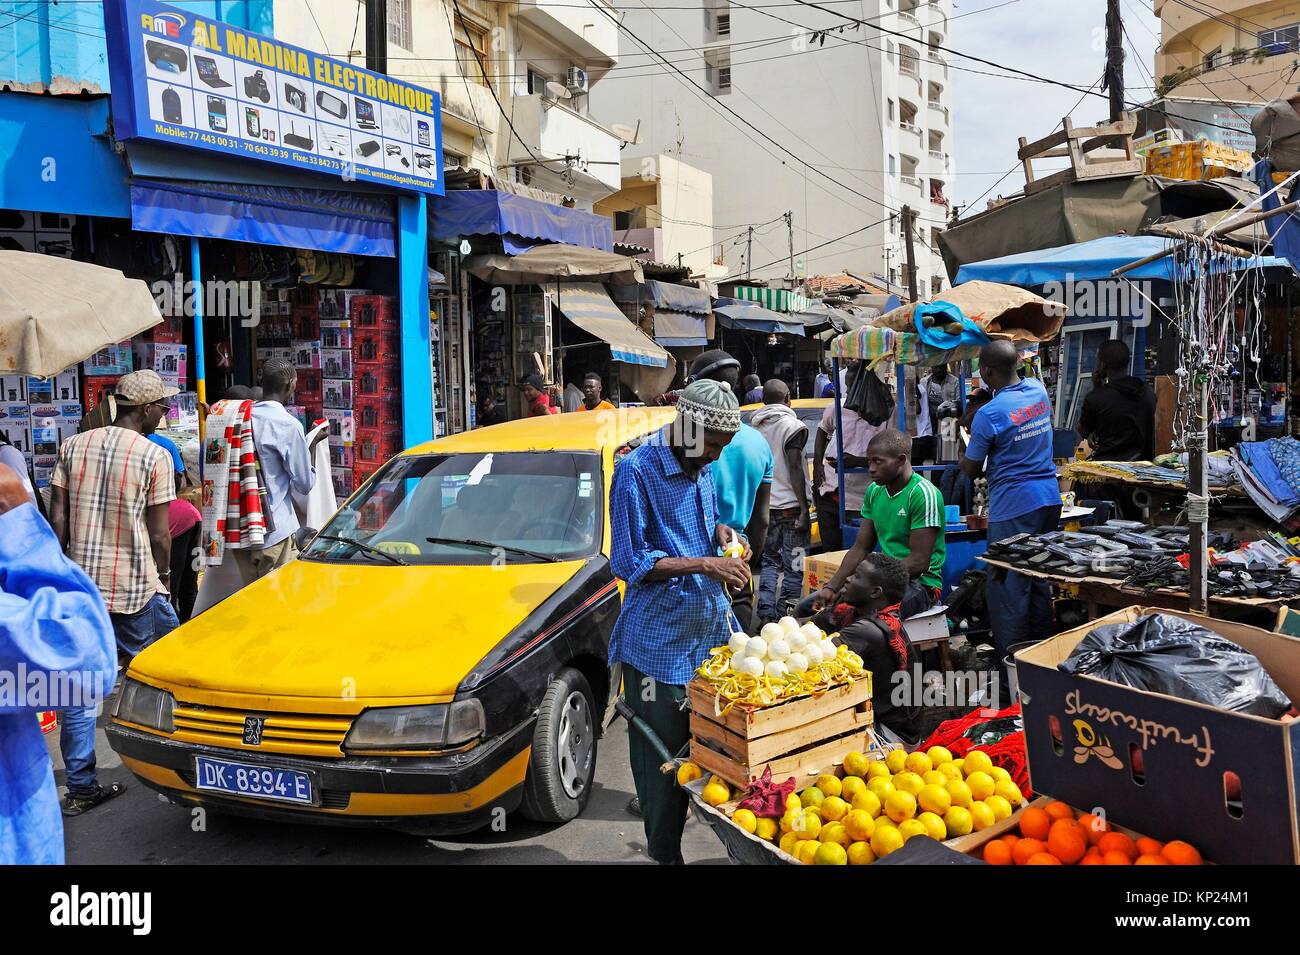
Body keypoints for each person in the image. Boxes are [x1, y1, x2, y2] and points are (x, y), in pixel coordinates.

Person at [609, 378, 751, 864]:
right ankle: (663, 853)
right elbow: (629, 562)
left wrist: (724, 538)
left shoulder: (702, 467)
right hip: (659, 645)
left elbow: (701, 528)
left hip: (709, 631)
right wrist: (706, 565)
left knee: (718, 748)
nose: (715, 456)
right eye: (711, 445)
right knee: (663, 763)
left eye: (723, 447)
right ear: (686, 427)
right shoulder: (635, 472)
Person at [48, 369, 180, 815]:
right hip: (133, 587)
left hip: (80, 590)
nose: (165, 414)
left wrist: (65, 567)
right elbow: (160, 534)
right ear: (143, 410)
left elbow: (59, 518)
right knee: (169, 674)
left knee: (81, 693)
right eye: (162, 407)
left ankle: (82, 788)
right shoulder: (153, 456)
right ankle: (181, 770)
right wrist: (163, 576)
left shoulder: (73, 444)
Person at [0, 463, 117, 863]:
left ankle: (83, 782)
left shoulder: (71, 449)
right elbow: (85, 667)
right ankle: (83, 783)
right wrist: (17, 523)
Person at [961, 340, 1062, 666]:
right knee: (1037, 582)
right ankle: (1045, 662)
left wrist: (969, 432)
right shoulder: (1038, 390)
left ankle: (1013, 671)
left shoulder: (989, 415)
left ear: (987, 372)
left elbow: (972, 468)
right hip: (1048, 499)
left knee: (1008, 590)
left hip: (1015, 506)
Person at [810, 428, 945, 619]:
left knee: (867, 617)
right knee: (821, 612)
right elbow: (860, 548)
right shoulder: (874, 491)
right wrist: (832, 586)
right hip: (881, 581)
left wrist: (868, 584)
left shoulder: (922, 493)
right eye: (869, 462)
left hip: (920, 585)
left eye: (878, 462)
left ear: (900, 460)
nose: (871, 468)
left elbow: (919, 561)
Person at [686, 350, 772, 632]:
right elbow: (761, 520)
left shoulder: (696, 447)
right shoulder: (758, 443)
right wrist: (748, 562)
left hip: (706, 569)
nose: (714, 455)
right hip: (732, 565)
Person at [807, 553, 919, 746]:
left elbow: (810, 654)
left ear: (875, 592)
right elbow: (807, 627)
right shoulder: (850, 612)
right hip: (879, 717)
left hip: (892, 736)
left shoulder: (869, 631)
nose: (848, 579)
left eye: (857, 576)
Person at [750, 379, 811, 622]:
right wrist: (805, 508)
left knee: (769, 560)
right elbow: (795, 467)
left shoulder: (754, 428)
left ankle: (765, 615)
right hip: (791, 507)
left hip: (765, 506)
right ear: (788, 398)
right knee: (795, 562)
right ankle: (787, 617)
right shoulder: (793, 426)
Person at [811, 361, 885, 553]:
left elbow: (893, 454)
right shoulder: (836, 407)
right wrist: (818, 464)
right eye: (848, 386)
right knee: (831, 551)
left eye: (854, 386)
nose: (850, 391)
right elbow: (821, 431)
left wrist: (860, 462)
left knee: (861, 553)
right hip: (830, 489)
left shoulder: (885, 413)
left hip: (862, 496)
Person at [1078, 339, 1155, 462]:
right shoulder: (1147, 391)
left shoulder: (1096, 397)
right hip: (1143, 466)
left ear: (1102, 365)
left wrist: (1097, 384)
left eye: (1097, 360)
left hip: (1108, 468)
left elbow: (1083, 429)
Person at [914, 364, 961, 466]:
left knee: (946, 458)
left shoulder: (955, 381)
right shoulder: (924, 382)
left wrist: (948, 406)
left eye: (941, 367)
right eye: (936, 367)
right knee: (925, 457)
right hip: (928, 424)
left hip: (947, 423)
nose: (939, 370)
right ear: (932, 367)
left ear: (946, 366)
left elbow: (959, 402)